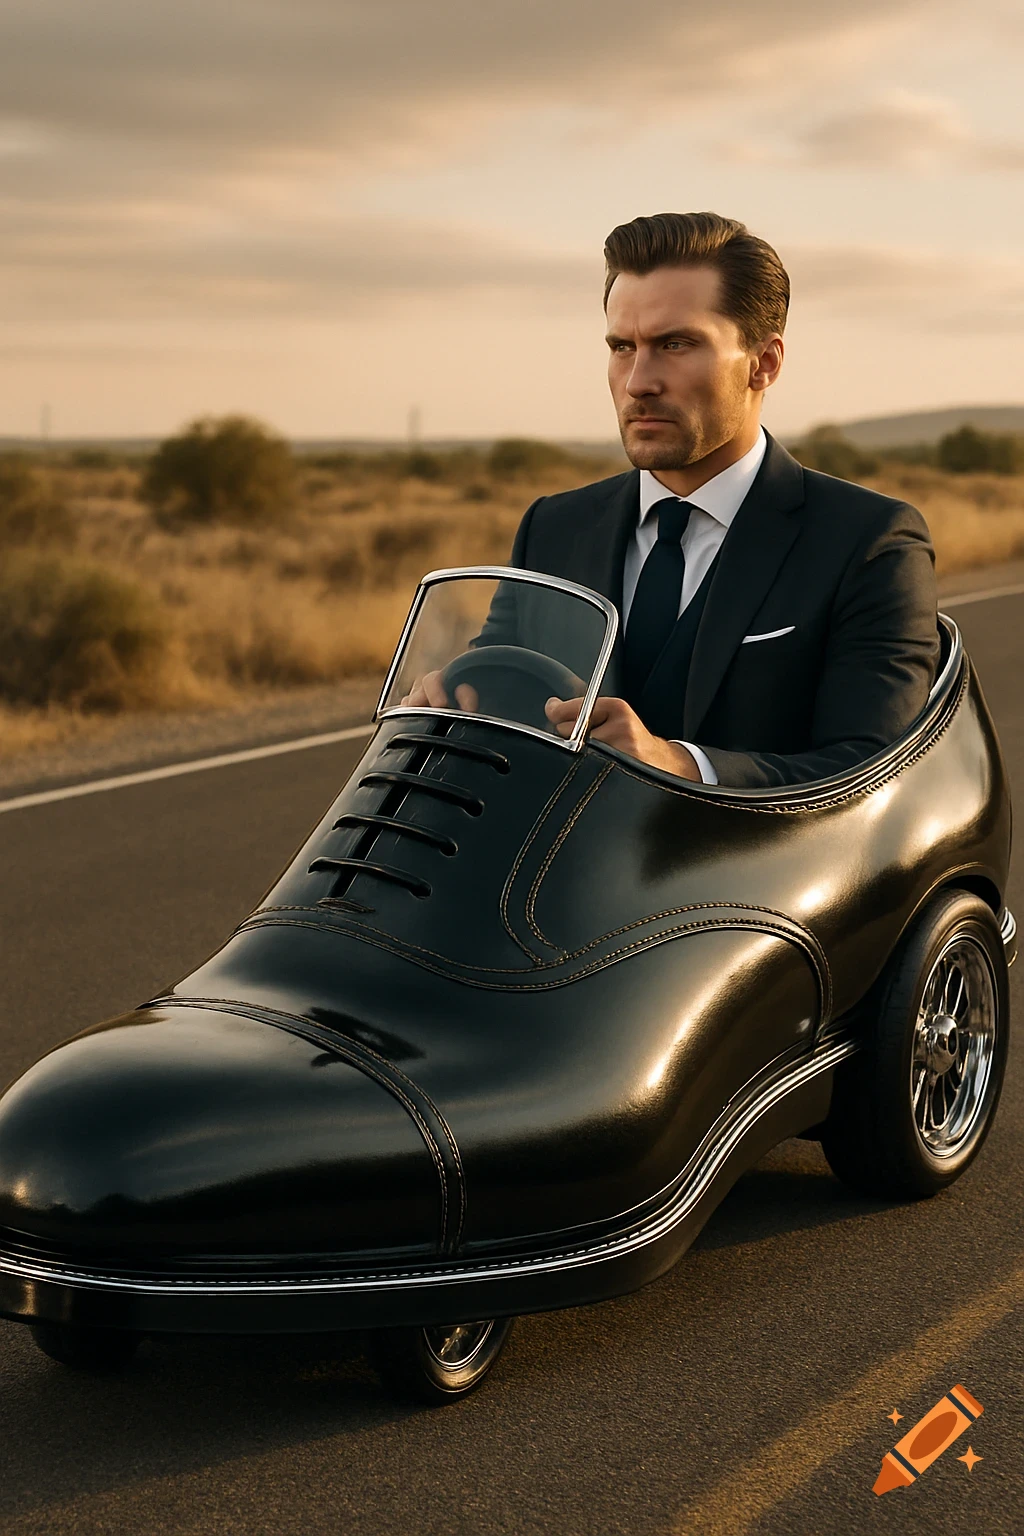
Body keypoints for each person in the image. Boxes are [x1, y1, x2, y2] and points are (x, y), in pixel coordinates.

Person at [406, 211, 940, 789]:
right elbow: (499, 696)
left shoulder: (869, 541)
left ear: (764, 363)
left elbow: (874, 771)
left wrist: (678, 764)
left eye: (675, 344)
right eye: (621, 346)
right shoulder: (554, 527)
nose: (639, 381)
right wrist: (447, 713)